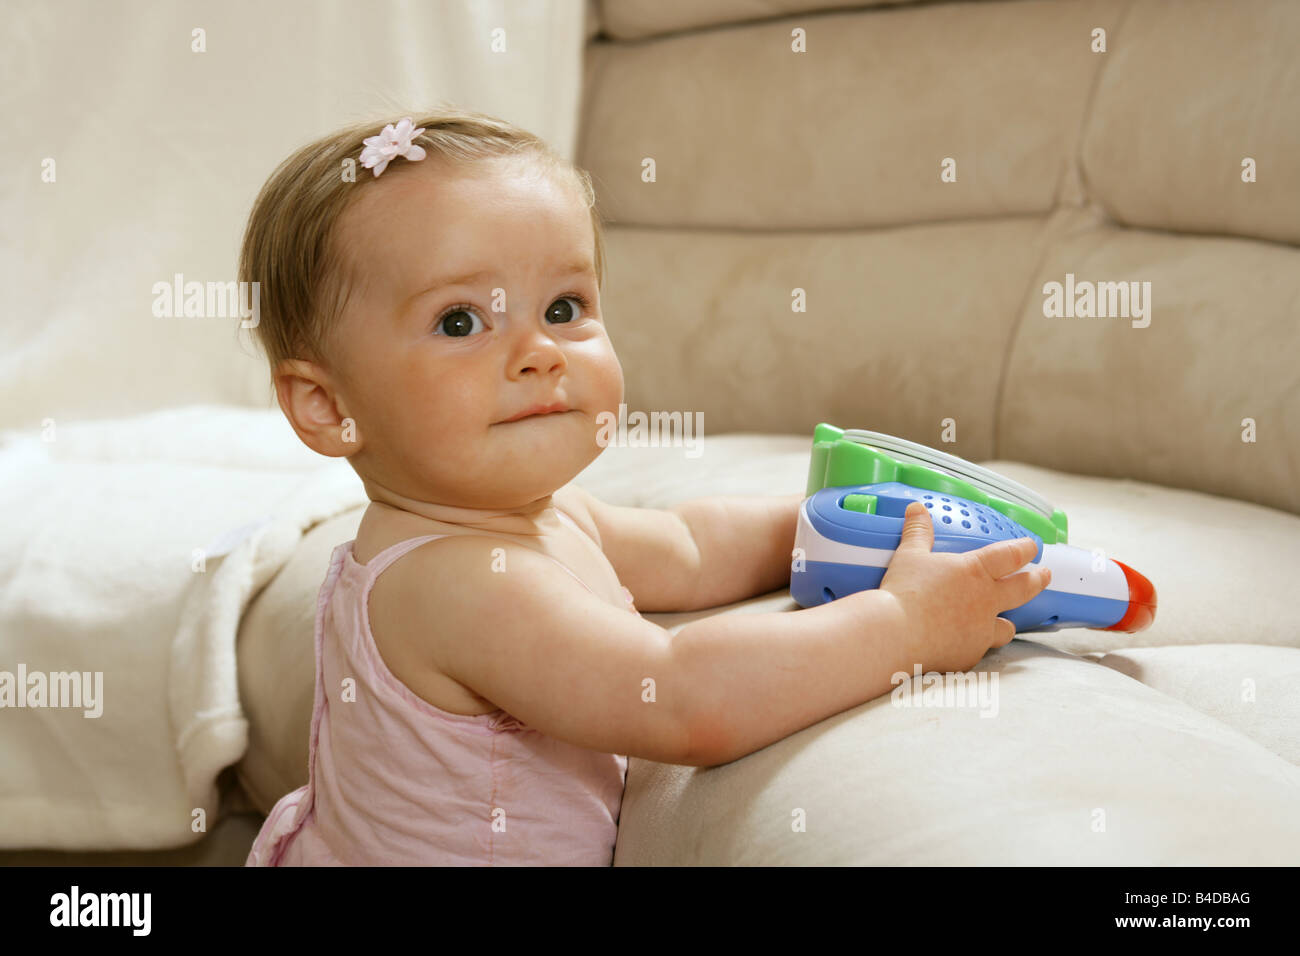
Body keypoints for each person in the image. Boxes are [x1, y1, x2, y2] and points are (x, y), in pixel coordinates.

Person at [240, 108, 1050, 866]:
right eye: (461, 321)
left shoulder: (536, 521)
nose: (540, 352)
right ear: (330, 406)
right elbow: (684, 701)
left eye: (565, 306)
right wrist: (904, 624)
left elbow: (694, 550)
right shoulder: (452, 583)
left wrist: (824, 528)